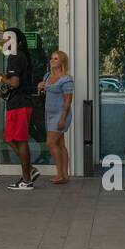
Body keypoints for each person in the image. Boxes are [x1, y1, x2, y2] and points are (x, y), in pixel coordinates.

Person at [0, 28, 39, 191]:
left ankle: (27, 179)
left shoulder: (15, 56)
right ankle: (29, 171)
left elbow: (14, 83)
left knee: (20, 140)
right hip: (21, 102)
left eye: (6, 38)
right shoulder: (21, 55)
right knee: (9, 138)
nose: (3, 41)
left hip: (19, 103)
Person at [38, 50, 74, 185]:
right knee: (60, 144)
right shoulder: (47, 76)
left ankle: (59, 174)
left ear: (62, 62)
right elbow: (44, 91)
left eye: (56, 59)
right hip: (49, 114)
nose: (52, 61)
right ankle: (65, 174)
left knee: (50, 143)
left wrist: (62, 119)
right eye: (52, 58)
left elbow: (68, 102)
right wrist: (40, 86)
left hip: (61, 115)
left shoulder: (66, 79)